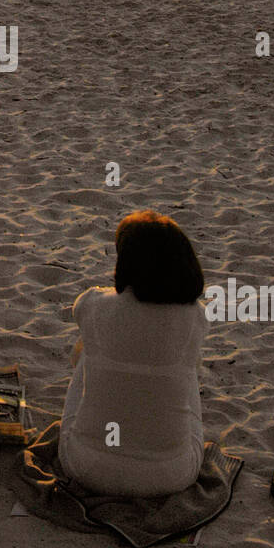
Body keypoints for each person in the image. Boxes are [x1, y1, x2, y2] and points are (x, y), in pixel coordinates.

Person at [59, 210, 207, 498]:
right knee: (186, 368)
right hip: (172, 475)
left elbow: (92, 311)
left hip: (85, 467)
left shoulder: (93, 303)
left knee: (89, 351)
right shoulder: (196, 317)